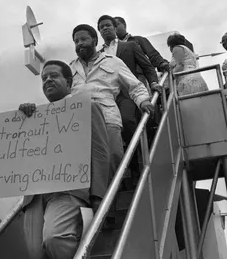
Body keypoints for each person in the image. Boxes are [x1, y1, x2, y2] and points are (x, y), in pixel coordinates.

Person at [20, 60, 110, 259]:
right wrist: (24, 119)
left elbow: (100, 152)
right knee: (36, 253)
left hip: (68, 190)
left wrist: (98, 195)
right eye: (44, 78)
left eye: (53, 76)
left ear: (69, 82)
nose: (47, 80)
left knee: (55, 239)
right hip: (35, 197)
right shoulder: (35, 116)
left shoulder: (87, 108)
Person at [97, 15, 160, 153]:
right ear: (99, 33)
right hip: (109, 97)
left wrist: (154, 82)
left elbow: (147, 66)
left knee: (126, 120)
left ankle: (139, 153)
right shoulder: (98, 55)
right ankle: (132, 158)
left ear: (115, 27)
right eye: (101, 27)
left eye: (108, 25)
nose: (105, 28)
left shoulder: (130, 45)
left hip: (129, 92)